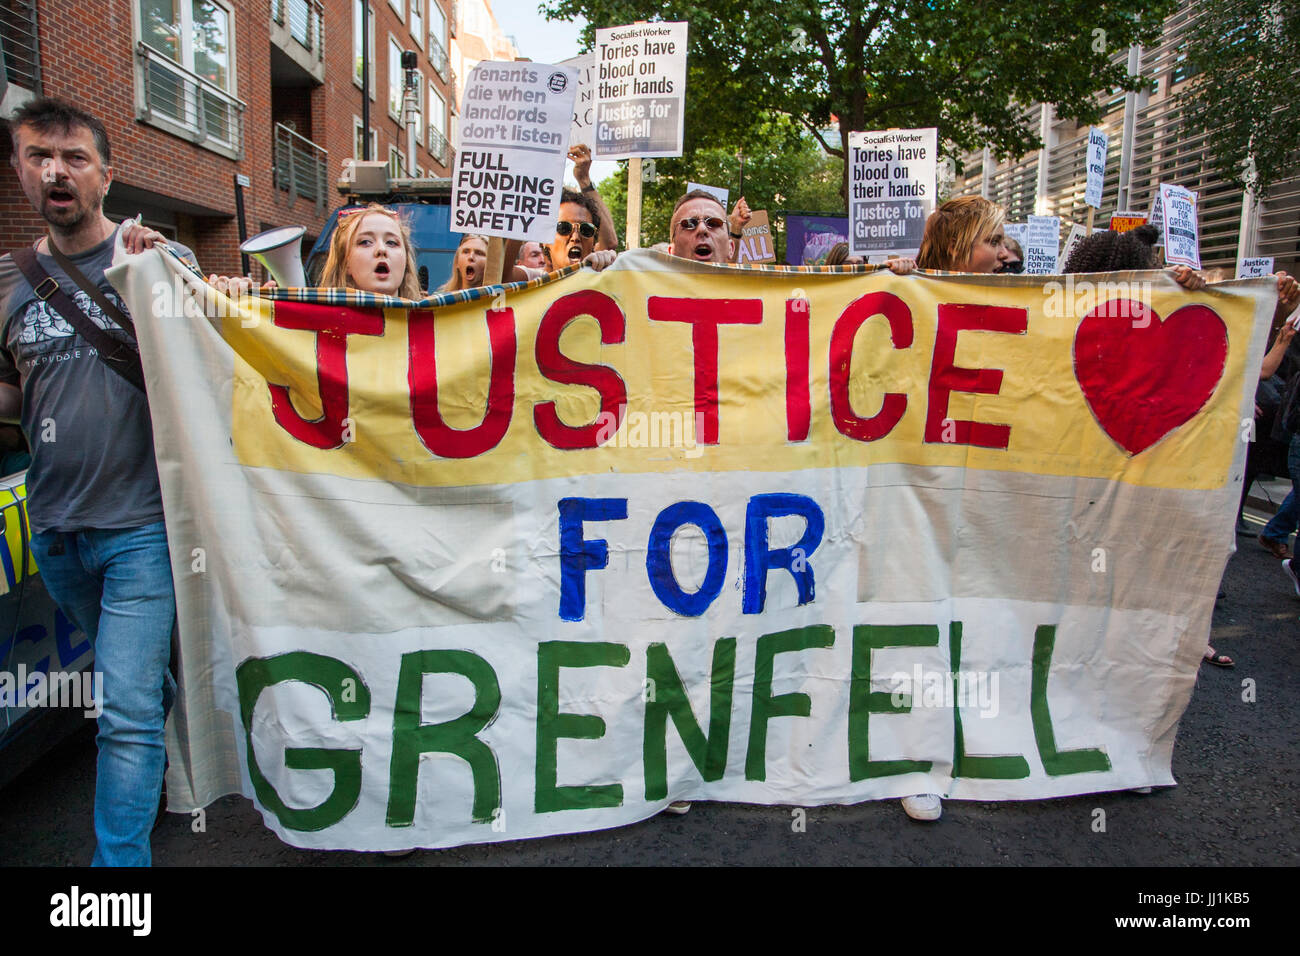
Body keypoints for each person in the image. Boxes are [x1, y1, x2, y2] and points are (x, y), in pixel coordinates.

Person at [0, 97, 195, 866]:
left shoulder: (156, 260)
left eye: (74, 157)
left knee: (119, 711)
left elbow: (212, 371)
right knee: (139, 691)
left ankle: (119, 875)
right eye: (39, 156)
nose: (56, 171)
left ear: (105, 175)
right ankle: (175, 750)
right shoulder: (9, 282)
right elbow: (18, 396)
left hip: (141, 529)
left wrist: (159, 279)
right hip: (54, 532)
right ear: (20, 170)